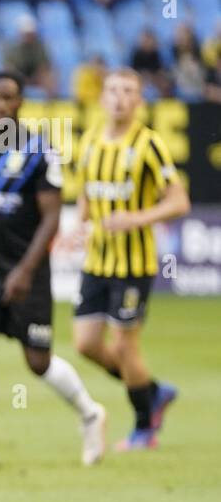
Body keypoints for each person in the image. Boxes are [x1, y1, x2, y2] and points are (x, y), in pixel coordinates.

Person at [0, 72, 106, 471]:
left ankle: (89, 413)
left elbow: (51, 219)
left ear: (20, 103)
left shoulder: (39, 151)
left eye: (7, 98)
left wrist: (25, 271)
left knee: (38, 360)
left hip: (26, 269)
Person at [72, 68, 191, 450]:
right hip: (97, 262)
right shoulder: (90, 142)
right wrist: (81, 220)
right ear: (102, 98)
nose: (119, 97)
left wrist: (136, 218)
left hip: (134, 266)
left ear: (139, 100)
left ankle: (144, 427)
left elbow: (179, 201)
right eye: (112, 90)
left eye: (128, 91)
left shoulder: (149, 144)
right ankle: (153, 391)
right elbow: (87, 194)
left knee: (125, 346)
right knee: (86, 344)